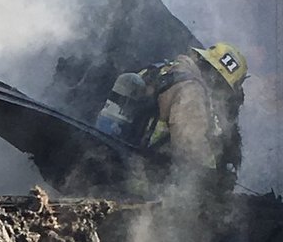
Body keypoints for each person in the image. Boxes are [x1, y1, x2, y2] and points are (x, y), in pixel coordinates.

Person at [96, 43, 248, 188]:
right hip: (140, 180)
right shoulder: (192, 91)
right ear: (219, 82)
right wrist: (215, 179)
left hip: (112, 163)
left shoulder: (162, 70)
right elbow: (190, 147)